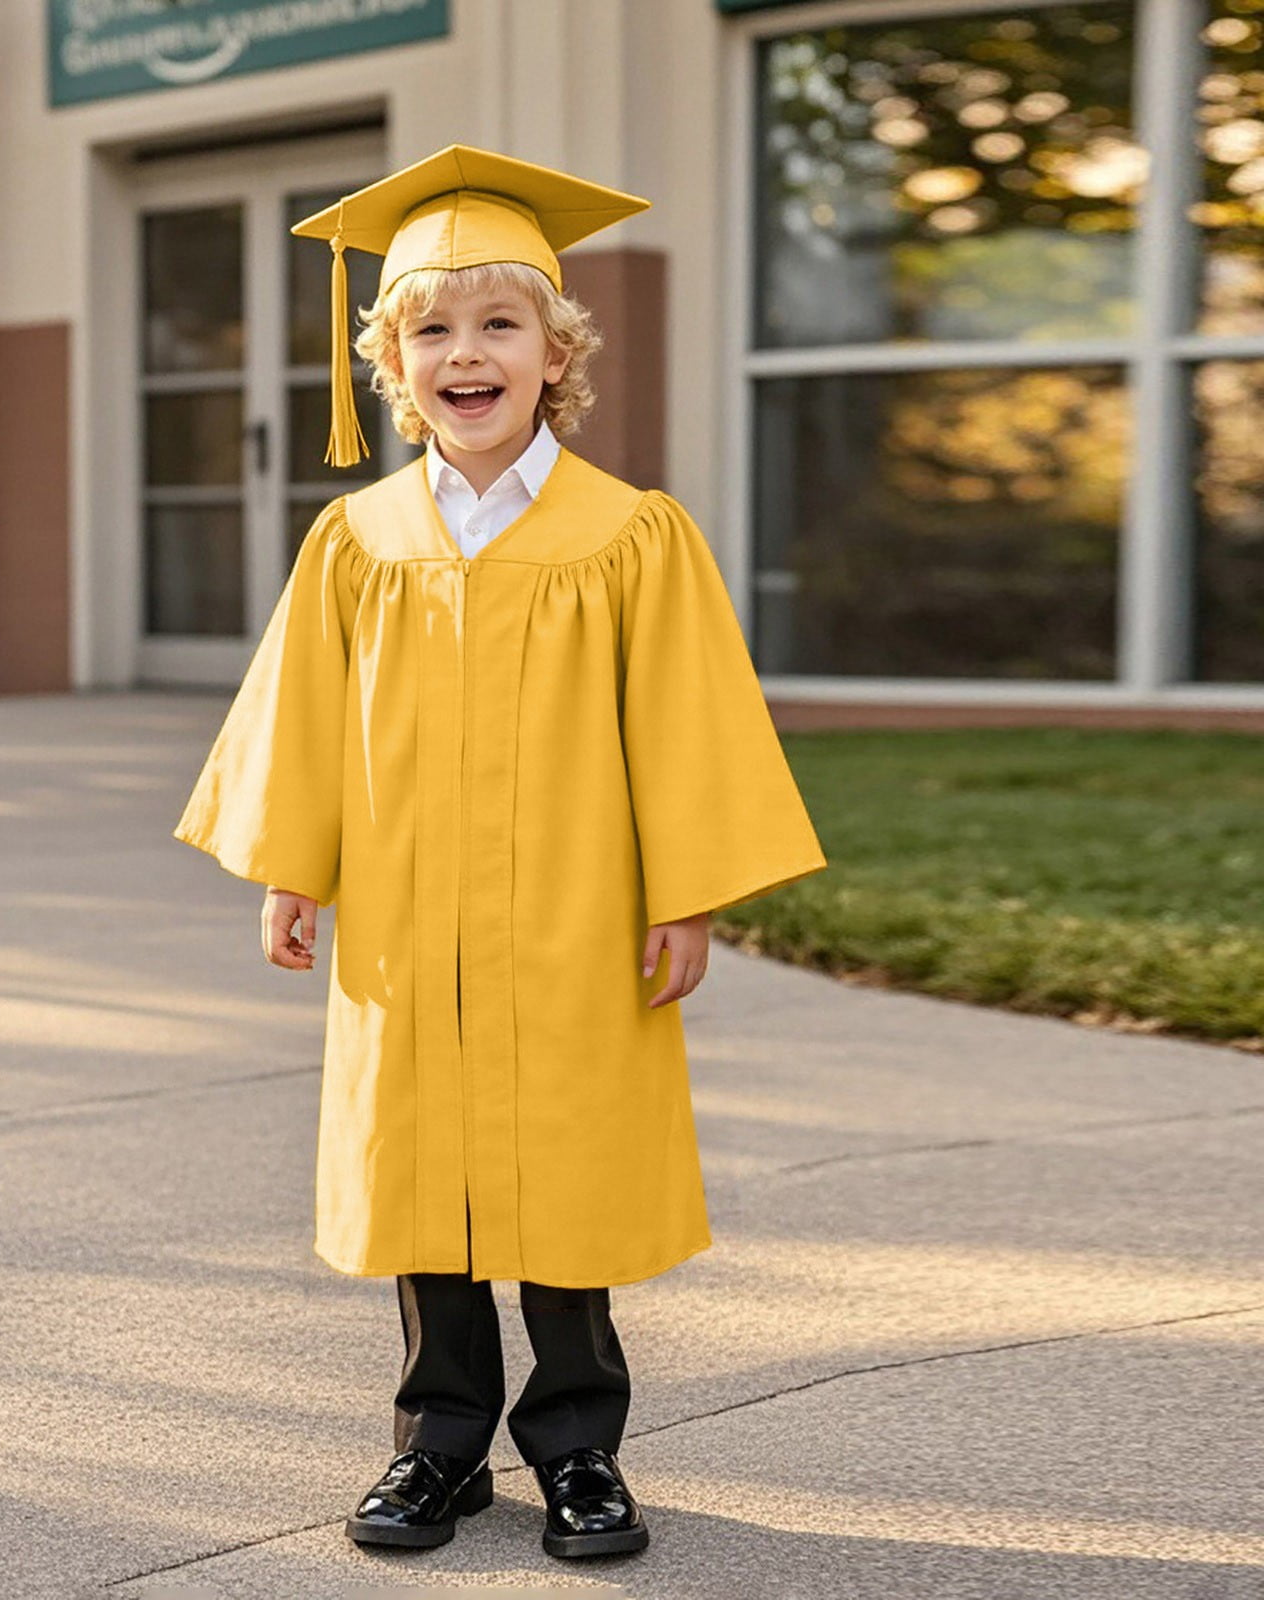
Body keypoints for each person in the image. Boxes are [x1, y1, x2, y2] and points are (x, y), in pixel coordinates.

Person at [172, 144, 828, 1561]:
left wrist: (688, 893)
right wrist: (297, 866)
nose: (463, 354)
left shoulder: (630, 536)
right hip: (411, 925)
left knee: (569, 1182)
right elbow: (303, 722)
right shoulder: (357, 541)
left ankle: (580, 1451)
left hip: (577, 916)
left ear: (555, 354)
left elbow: (685, 722)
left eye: (497, 324)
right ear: (392, 366)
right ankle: (439, 1449)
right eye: (430, 328)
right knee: (426, 1181)